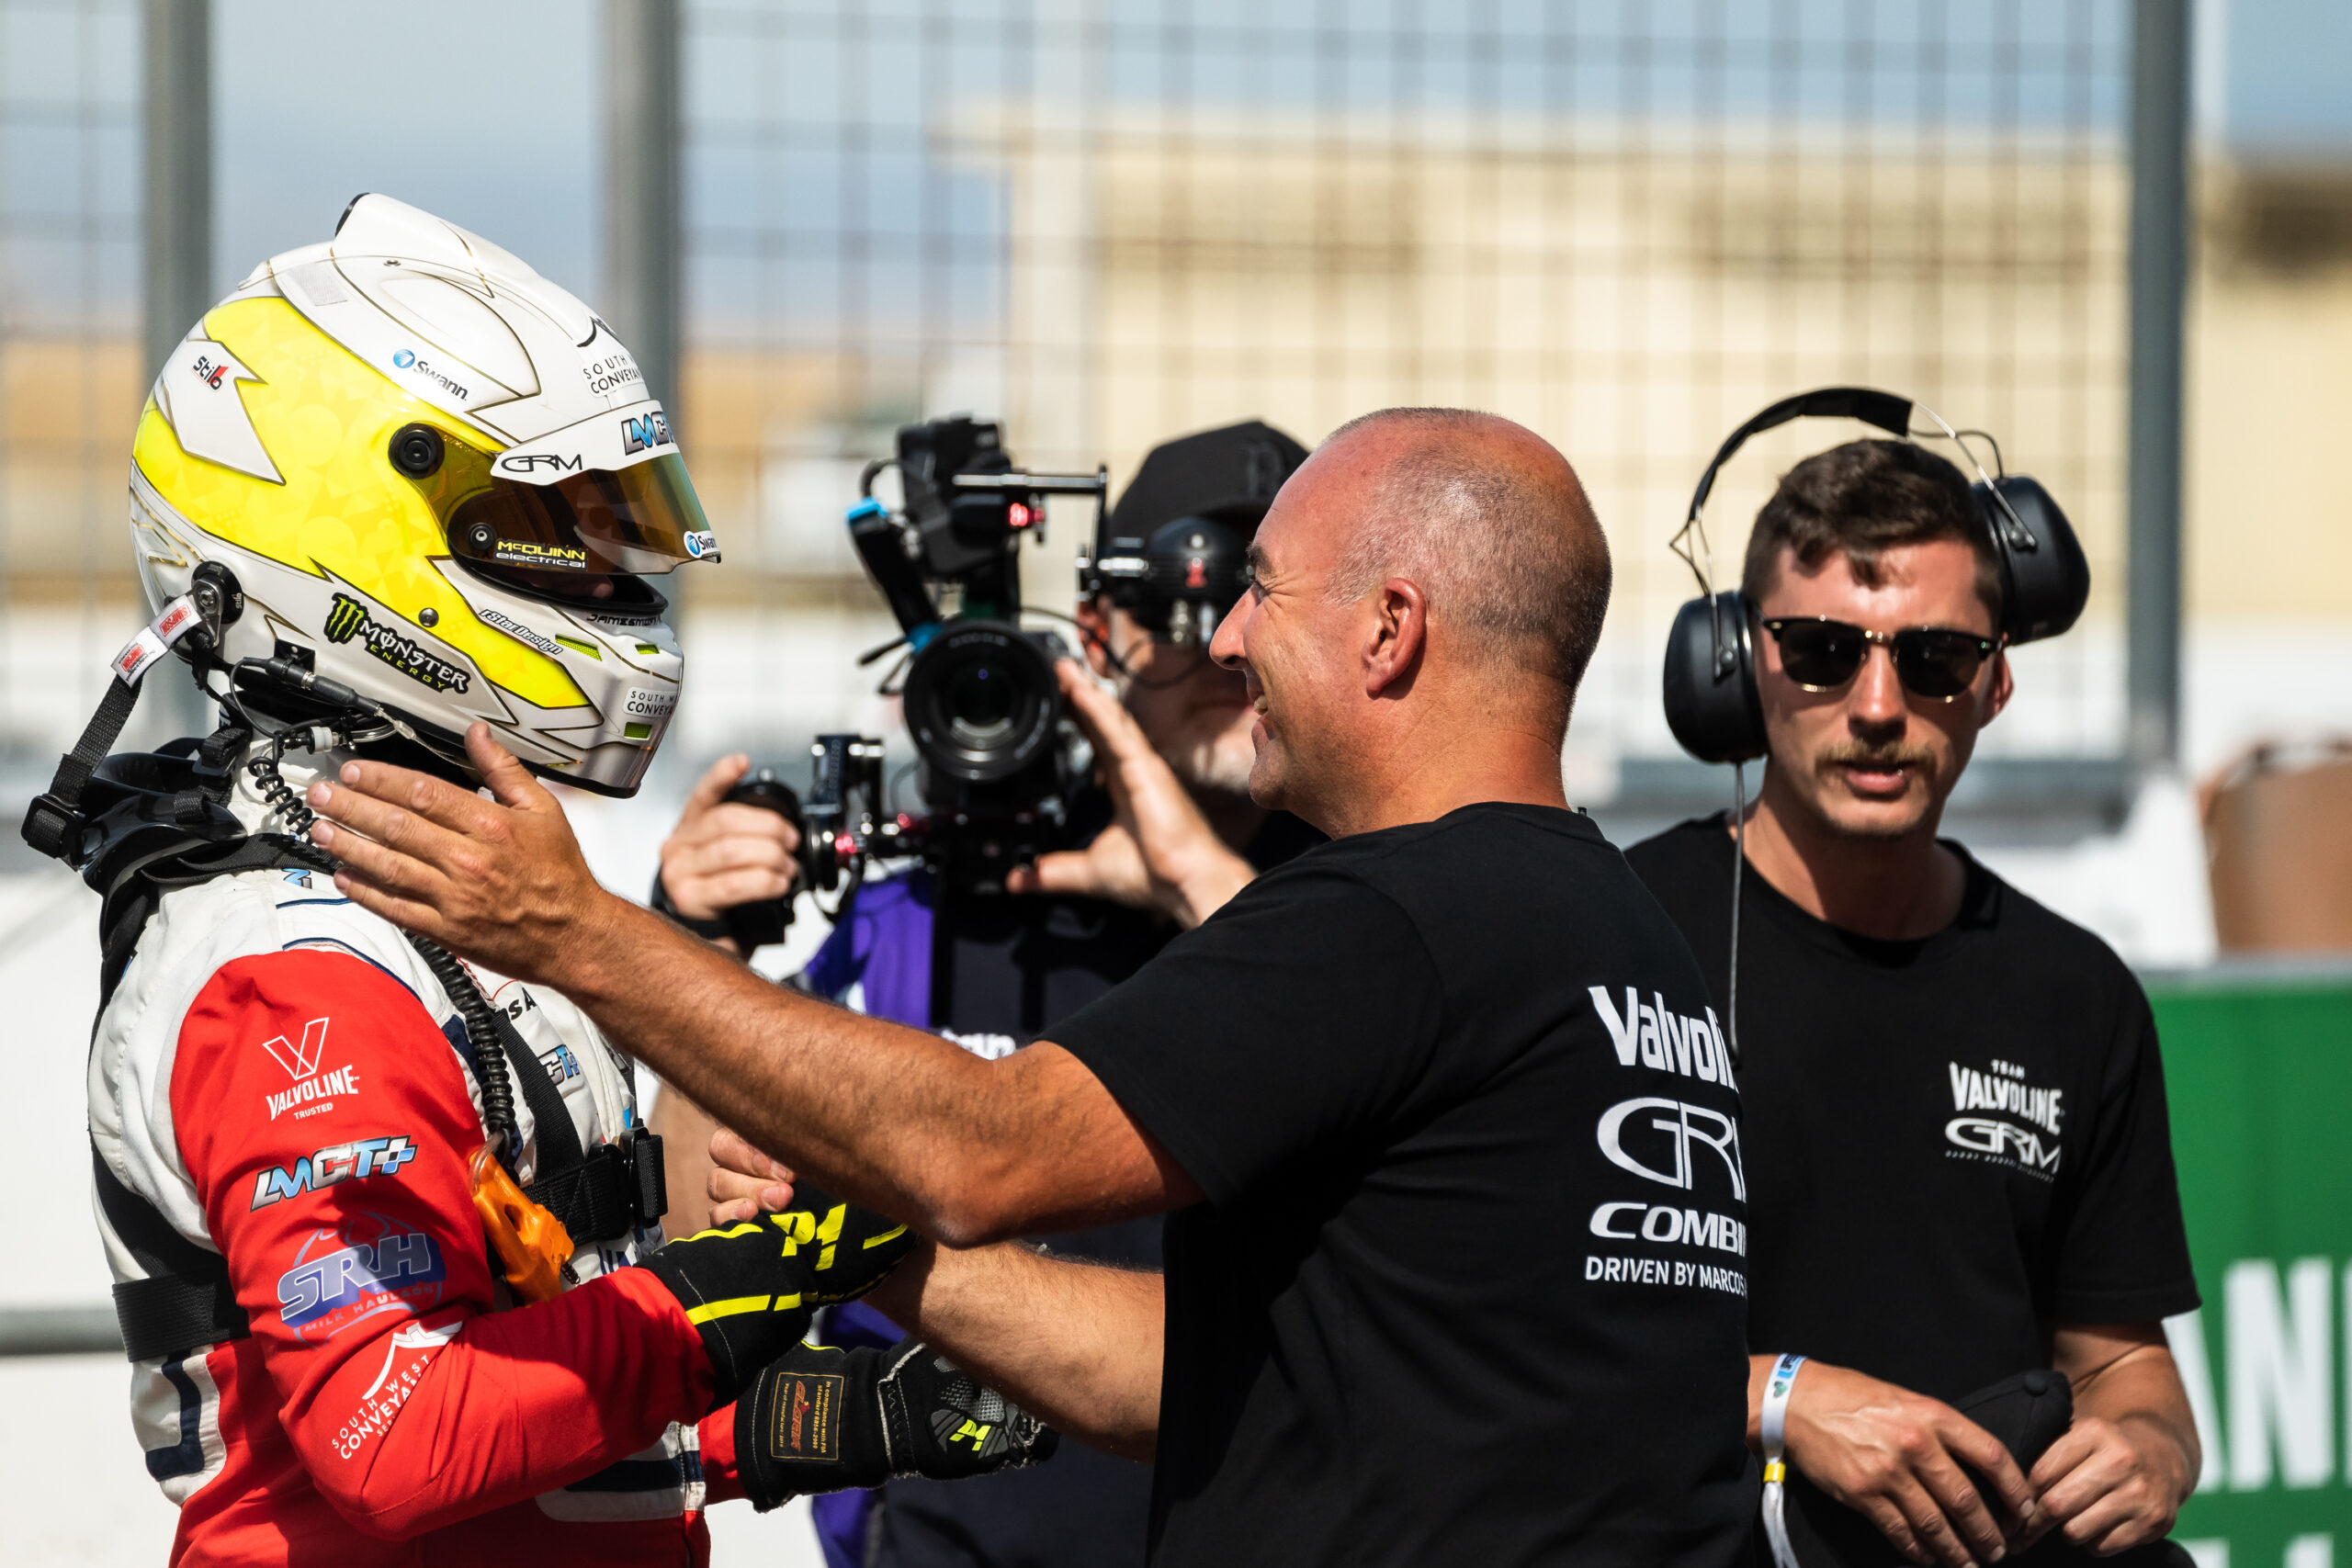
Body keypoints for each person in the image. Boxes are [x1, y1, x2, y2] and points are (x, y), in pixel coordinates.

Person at [308, 407, 1761, 1567]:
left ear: (1390, 628)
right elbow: (1197, 1372)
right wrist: (852, 1241)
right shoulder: (1617, 932)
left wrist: (578, 931)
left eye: (1260, 591)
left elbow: (980, 1152)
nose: (1231, 638)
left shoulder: (1397, 914)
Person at [40, 196, 1041, 1566]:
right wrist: (833, 1234)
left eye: (608, 521)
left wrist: (859, 1413)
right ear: (358, 540)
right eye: (555, 525)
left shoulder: (431, 898)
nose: (607, 571)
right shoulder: (290, 968)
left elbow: (542, 1380)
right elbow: (398, 1435)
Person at [647, 423, 1323, 1568]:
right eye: (1170, 603)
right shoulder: (936, 887)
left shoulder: (1364, 901)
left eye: (1251, 605)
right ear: (1097, 628)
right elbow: (690, 1229)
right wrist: (696, 948)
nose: (1216, 649)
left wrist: (1194, 888)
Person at [1622, 439, 2201, 1567]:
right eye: (1823, 651)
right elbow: (1511, 1335)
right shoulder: (1611, 943)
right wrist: (1783, 1400)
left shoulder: (2076, 993)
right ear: (1741, 666)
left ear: (1996, 680)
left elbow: (2121, 1363)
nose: (1878, 706)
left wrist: (2151, 1445)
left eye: (1934, 658)